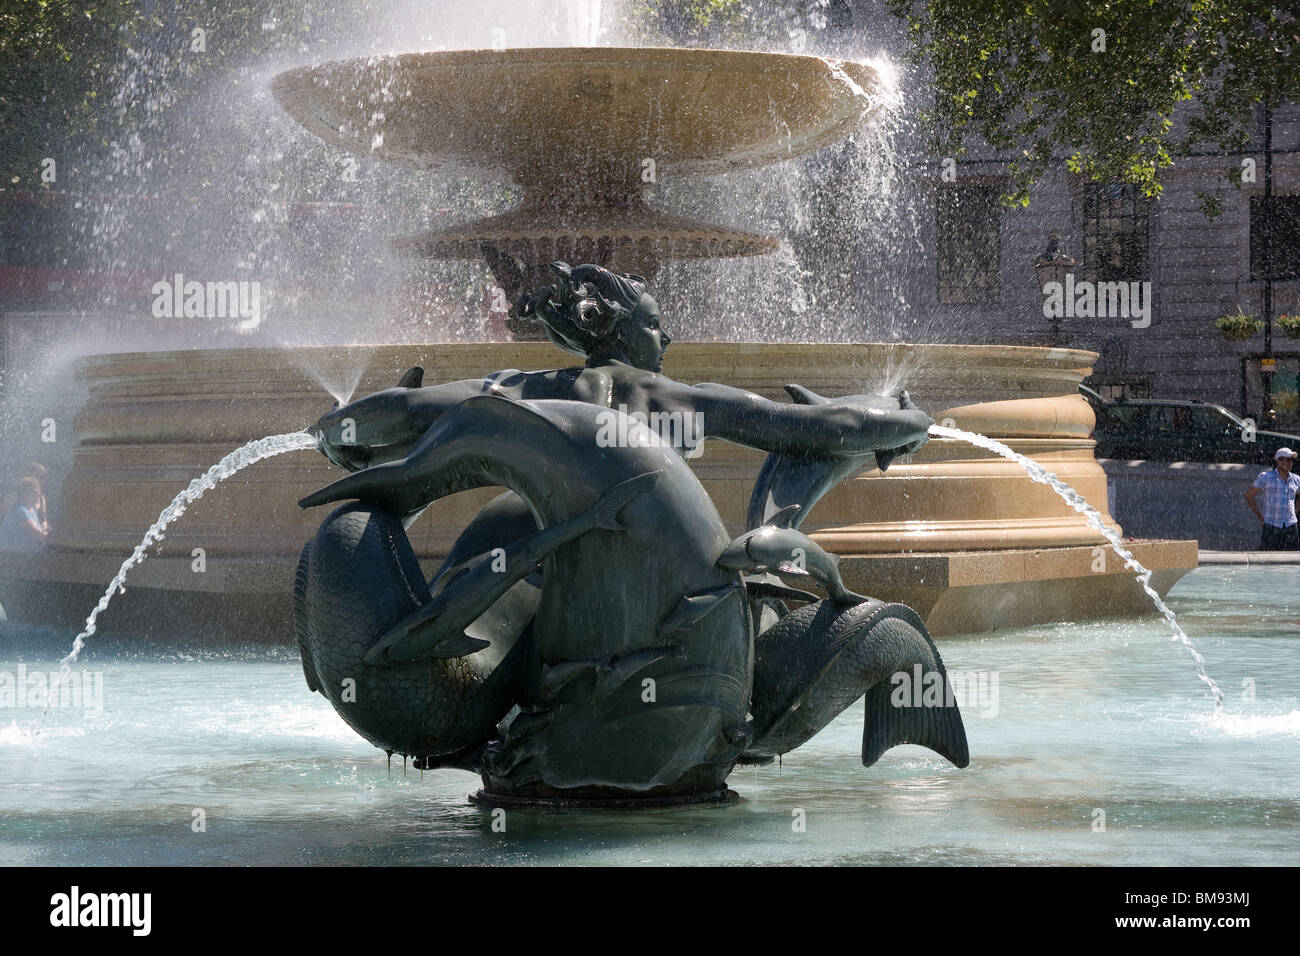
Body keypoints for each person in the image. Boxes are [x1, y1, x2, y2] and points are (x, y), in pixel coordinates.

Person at [1245, 447, 1300, 551]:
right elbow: (1249, 495)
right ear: (1279, 460)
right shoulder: (1266, 477)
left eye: (1291, 460)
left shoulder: (1296, 479)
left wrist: (1294, 510)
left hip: (1291, 525)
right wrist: (1260, 516)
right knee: (1267, 559)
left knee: (1293, 560)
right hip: (1271, 525)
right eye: (1287, 459)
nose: (1290, 463)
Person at [0, 476, 50, 553]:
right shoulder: (20, 512)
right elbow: (38, 535)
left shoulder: (32, 510)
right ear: (24, 494)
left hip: (28, 557)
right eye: (35, 492)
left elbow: (42, 531)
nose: (38, 496)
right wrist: (59, 540)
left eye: (39, 492)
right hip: (13, 558)